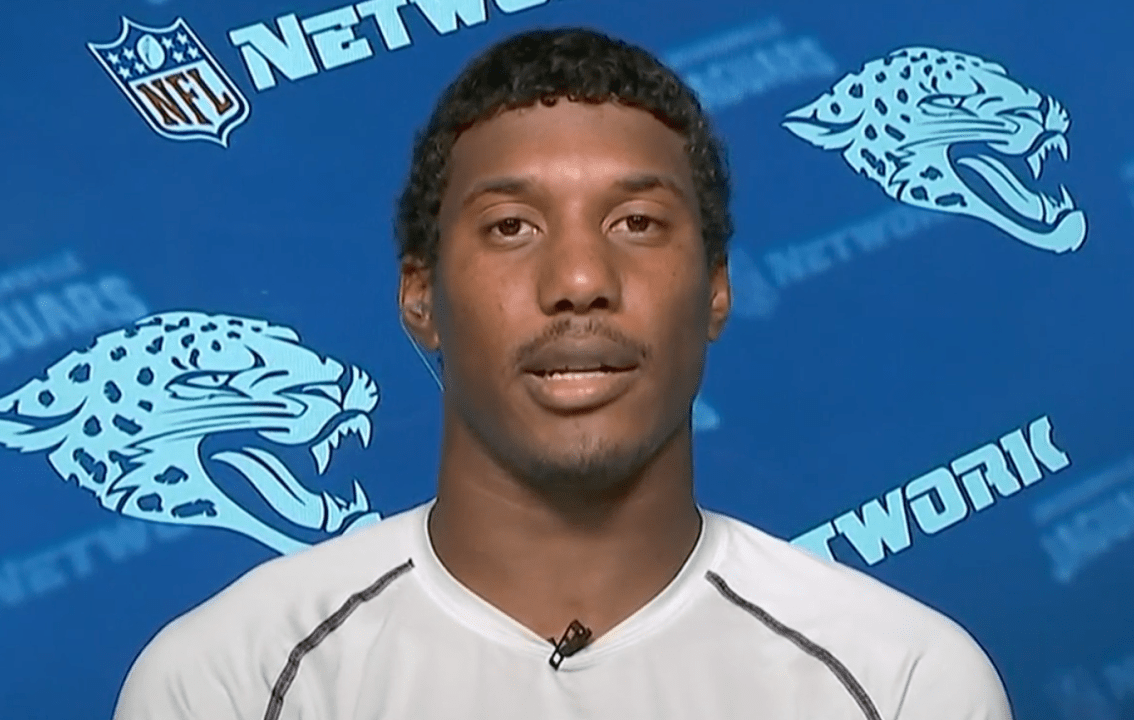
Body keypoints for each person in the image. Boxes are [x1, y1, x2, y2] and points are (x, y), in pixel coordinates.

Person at [113, 27, 1015, 720]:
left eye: (637, 223)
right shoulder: (228, 684)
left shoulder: (901, 683)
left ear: (715, 289)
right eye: (511, 227)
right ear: (419, 295)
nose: (580, 282)